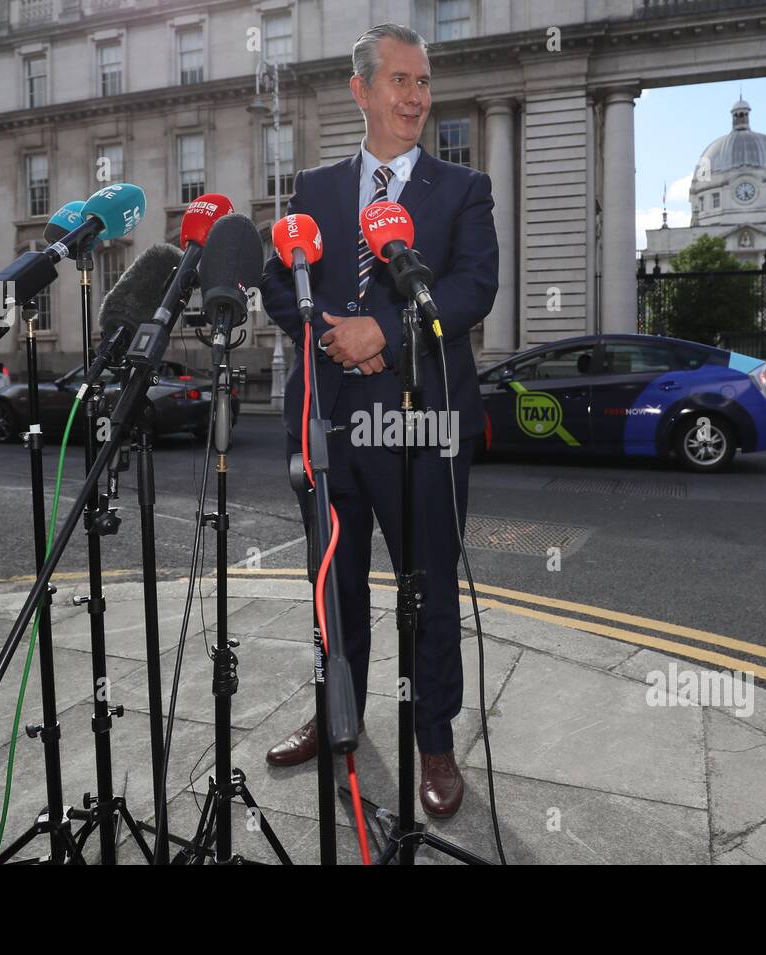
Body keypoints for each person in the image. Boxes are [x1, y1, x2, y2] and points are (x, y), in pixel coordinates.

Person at [258, 23, 498, 817]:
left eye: (423, 81)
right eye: (399, 80)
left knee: (427, 587)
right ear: (360, 90)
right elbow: (278, 278)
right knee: (336, 588)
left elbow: (472, 291)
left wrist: (384, 335)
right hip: (330, 424)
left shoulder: (463, 190)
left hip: (423, 425)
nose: (416, 96)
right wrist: (332, 328)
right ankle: (338, 722)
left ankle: (434, 740)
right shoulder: (315, 189)